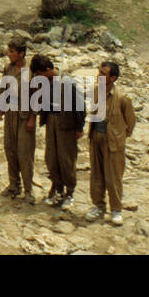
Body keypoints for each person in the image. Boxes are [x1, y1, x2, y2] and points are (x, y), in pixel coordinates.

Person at [86, 60, 136, 226]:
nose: (98, 76)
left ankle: (116, 209)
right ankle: (98, 206)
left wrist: (119, 136)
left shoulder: (122, 98)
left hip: (113, 143)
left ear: (112, 78)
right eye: (99, 72)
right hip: (96, 138)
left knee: (114, 177)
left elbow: (130, 123)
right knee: (96, 175)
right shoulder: (95, 92)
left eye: (103, 73)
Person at [34, 54, 85, 210]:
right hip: (51, 121)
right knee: (51, 157)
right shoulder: (44, 82)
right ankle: (56, 188)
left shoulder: (67, 82)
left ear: (48, 70)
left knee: (66, 159)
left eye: (40, 74)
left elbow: (80, 106)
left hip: (66, 124)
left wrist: (79, 127)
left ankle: (69, 192)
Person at [0, 35, 36, 203]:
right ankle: (14, 184)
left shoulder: (31, 72)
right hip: (11, 113)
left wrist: (33, 118)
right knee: (10, 149)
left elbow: (37, 97)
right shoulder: (8, 69)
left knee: (24, 153)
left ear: (21, 54)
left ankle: (28, 190)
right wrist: (0, 107)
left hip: (25, 116)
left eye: (11, 52)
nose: (8, 54)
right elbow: (3, 88)